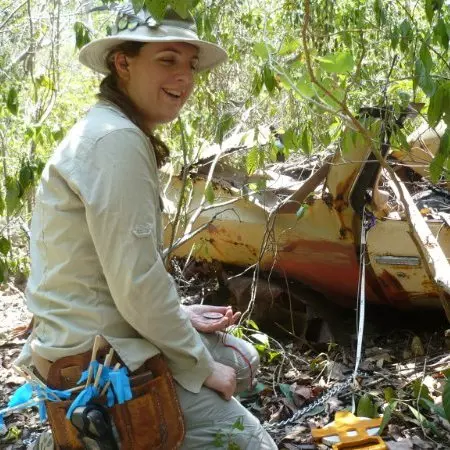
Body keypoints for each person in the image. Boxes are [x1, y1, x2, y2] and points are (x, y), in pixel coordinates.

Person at [17, 5, 277, 450]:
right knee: (252, 443)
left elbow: (118, 273)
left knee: (243, 360)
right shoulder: (115, 140)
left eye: (190, 64)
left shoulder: (107, 128)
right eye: (167, 60)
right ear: (123, 63)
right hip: (95, 360)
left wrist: (179, 317)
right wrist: (199, 366)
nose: (185, 77)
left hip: (92, 335)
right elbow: (136, 283)